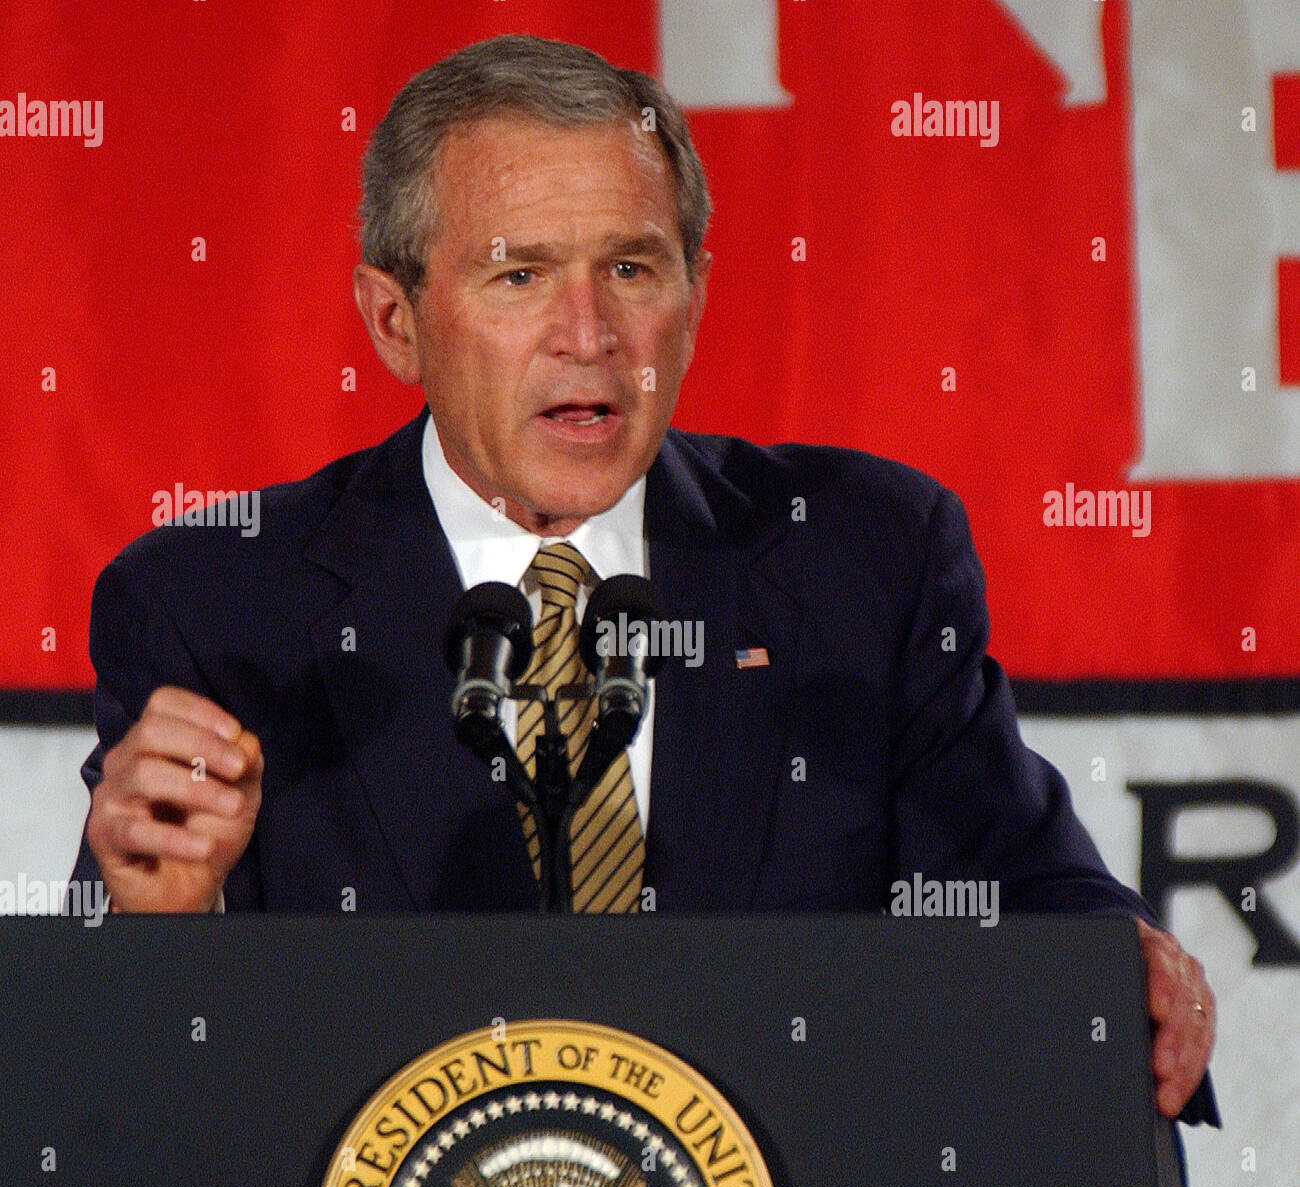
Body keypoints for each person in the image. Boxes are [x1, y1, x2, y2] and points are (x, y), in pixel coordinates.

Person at [69, 34, 1216, 1126]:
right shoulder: (217, 605)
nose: (589, 333)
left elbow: (1018, 892)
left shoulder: (861, 555)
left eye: (630, 266)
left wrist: (1117, 965)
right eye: (517, 275)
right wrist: (161, 929)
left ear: (695, 291)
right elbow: (113, 1095)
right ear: (394, 321)